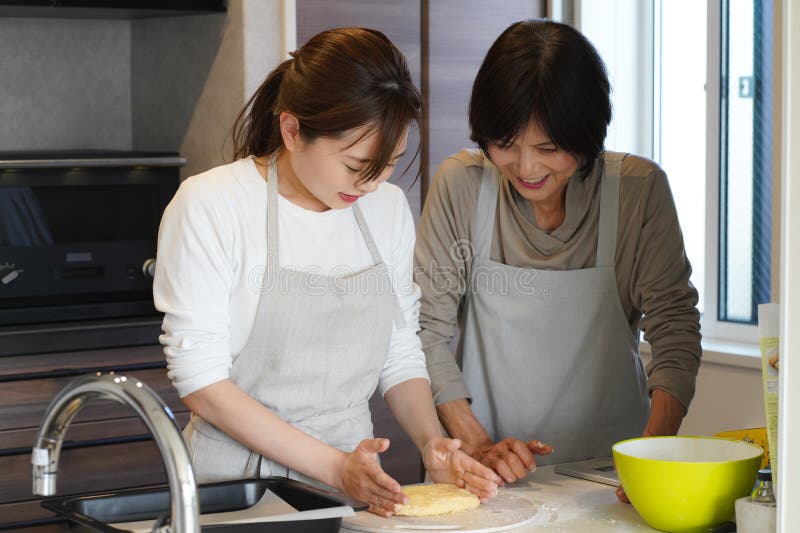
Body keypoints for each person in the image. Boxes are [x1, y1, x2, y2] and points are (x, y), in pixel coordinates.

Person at [153, 27, 501, 517]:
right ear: (292, 130)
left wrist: (431, 442)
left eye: (389, 164)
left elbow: (399, 351)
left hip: (350, 489)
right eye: (358, 164)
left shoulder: (386, 208)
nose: (374, 182)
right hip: (233, 491)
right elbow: (202, 385)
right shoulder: (212, 204)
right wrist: (334, 466)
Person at [414, 19, 701, 502]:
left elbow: (675, 329)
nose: (526, 168)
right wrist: (479, 445)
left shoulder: (637, 191)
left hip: (611, 477)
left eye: (548, 148)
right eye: (505, 144)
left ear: (588, 133)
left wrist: (651, 459)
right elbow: (426, 330)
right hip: (485, 479)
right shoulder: (461, 185)